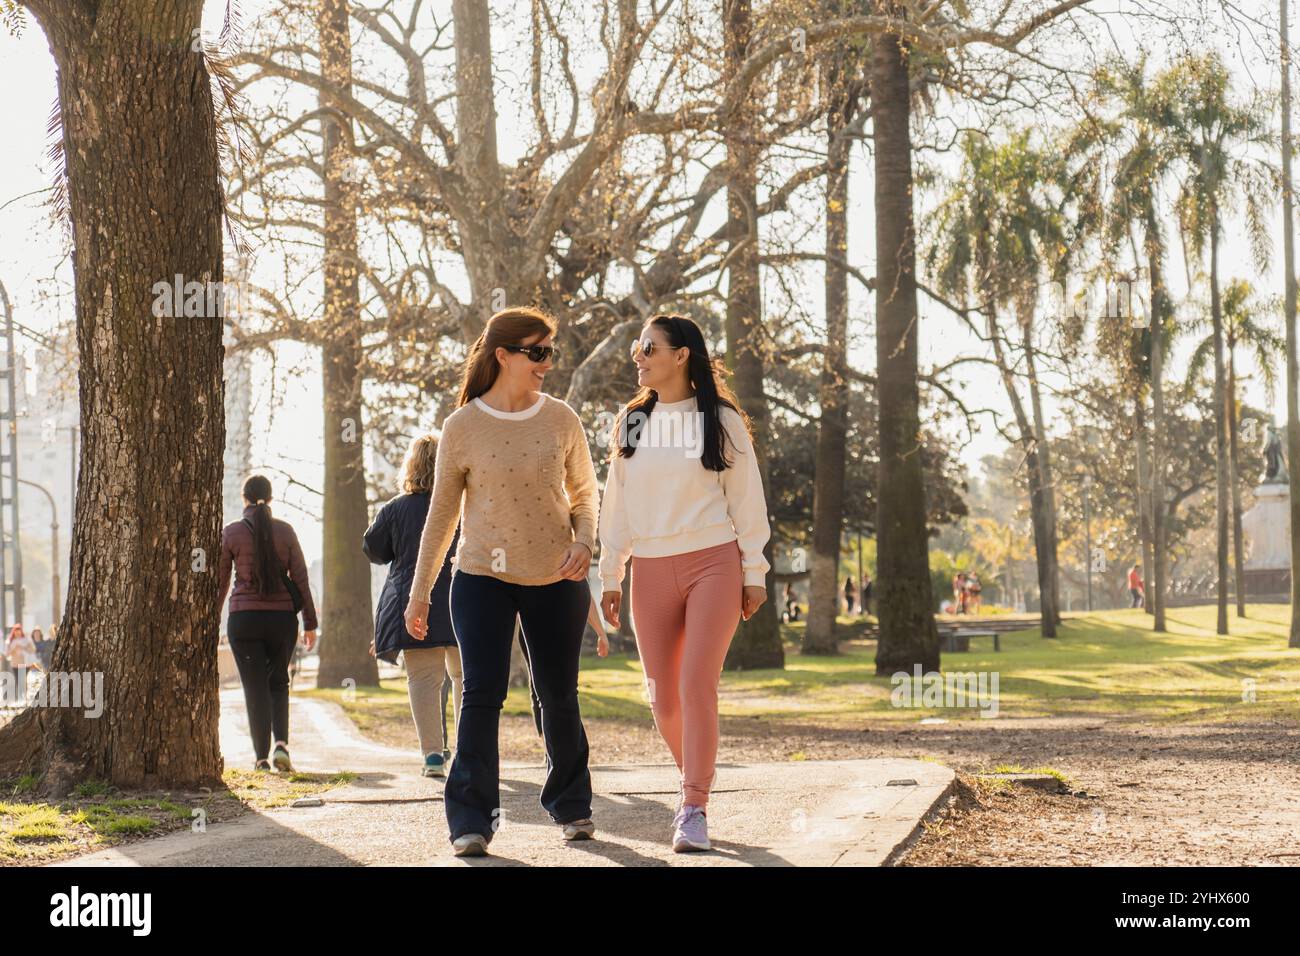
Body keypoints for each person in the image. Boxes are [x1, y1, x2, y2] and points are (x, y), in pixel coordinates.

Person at [404, 306, 600, 858]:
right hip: (481, 578)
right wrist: (420, 594)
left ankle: (572, 805)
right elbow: (441, 516)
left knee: (558, 695)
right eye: (537, 353)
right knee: (480, 694)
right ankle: (471, 820)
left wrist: (585, 542)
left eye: (549, 353)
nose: (546, 363)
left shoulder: (561, 418)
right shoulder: (462, 426)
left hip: (557, 575)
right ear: (504, 356)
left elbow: (586, 494)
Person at [599, 313, 771, 853]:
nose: (639, 356)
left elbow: (746, 499)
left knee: (697, 685)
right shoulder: (630, 421)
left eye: (649, 347)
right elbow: (616, 505)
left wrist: (754, 571)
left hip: (713, 563)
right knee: (661, 700)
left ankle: (693, 805)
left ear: (680, 354)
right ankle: (692, 781)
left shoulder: (720, 420)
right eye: (636, 347)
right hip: (649, 567)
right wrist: (610, 573)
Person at [363, 433, 463, 779]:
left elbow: (374, 550)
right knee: (465, 677)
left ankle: (433, 756)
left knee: (423, 679)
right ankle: (468, 752)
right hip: (462, 598)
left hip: (414, 601)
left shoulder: (394, 509)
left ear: (412, 466)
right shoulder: (463, 505)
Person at [217, 475, 319, 772]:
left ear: (245, 499)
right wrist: (310, 622)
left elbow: (221, 582)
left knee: (254, 688)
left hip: (244, 621)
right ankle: (281, 747)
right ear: (270, 499)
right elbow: (301, 580)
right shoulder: (286, 532)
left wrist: (211, 622)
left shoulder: (232, 532)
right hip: (282, 621)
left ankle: (261, 759)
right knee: (278, 682)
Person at [5, 625, 37, 706]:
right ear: (14, 633)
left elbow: (33, 649)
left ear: (21, 632)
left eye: (19, 632)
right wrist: (14, 648)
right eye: (16, 632)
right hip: (15, 664)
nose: (17, 634)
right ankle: (19, 699)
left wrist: (24, 648)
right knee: (17, 680)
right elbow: (7, 653)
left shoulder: (26, 640)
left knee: (23, 680)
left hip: (25, 663)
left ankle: (25, 699)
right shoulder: (11, 641)